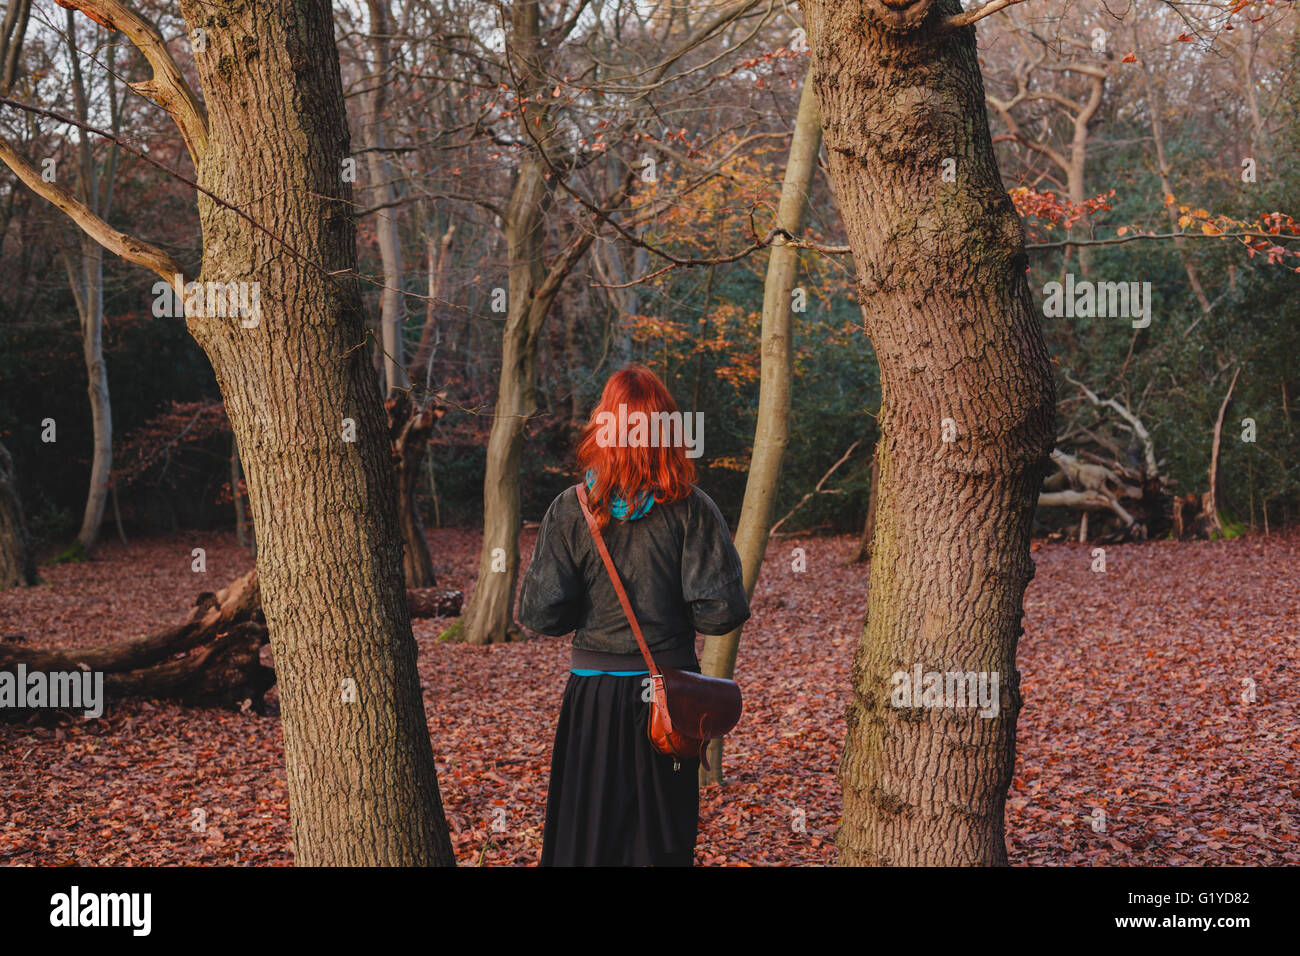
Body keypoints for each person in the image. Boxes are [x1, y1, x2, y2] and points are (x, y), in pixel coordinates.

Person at [518, 364, 750, 866]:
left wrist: (590, 600)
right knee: (659, 842)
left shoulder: (570, 508)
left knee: (587, 840)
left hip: (594, 699)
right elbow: (722, 613)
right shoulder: (693, 508)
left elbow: (541, 614)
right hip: (668, 701)